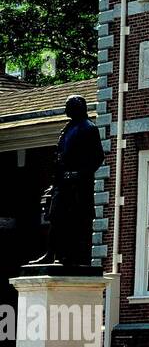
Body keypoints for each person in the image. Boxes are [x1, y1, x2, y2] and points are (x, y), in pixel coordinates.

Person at [31, 95, 104, 271]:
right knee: (55, 218)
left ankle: (68, 256)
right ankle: (51, 253)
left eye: (69, 107)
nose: (66, 110)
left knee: (73, 221)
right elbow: (60, 157)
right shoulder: (67, 128)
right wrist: (55, 181)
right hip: (62, 183)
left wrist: (80, 174)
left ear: (79, 107)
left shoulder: (89, 129)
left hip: (78, 187)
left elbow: (98, 157)